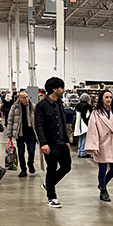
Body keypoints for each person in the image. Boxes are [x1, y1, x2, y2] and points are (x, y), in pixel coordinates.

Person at [85, 89, 113, 202]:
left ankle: (102, 184)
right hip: (102, 144)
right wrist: (94, 146)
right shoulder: (96, 113)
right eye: (106, 97)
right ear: (101, 99)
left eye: (110, 97)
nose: (109, 99)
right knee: (103, 168)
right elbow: (92, 130)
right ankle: (103, 191)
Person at [35, 77, 71, 208]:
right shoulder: (41, 106)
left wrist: (67, 140)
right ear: (54, 89)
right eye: (62, 88)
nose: (64, 90)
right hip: (50, 143)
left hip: (62, 142)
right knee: (52, 168)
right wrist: (43, 143)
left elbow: (63, 123)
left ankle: (48, 185)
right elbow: (38, 125)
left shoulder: (60, 104)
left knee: (66, 167)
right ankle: (51, 197)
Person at [8, 90, 36, 178]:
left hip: (31, 134)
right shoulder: (15, 107)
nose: (26, 99)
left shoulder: (33, 106)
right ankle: (23, 170)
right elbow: (10, 120)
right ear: (19, 99)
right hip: (20, 134)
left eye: (27, 97)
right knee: (21, 152)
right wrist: (9, 133)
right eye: (24, 97)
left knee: (31, 151)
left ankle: (30, 164)